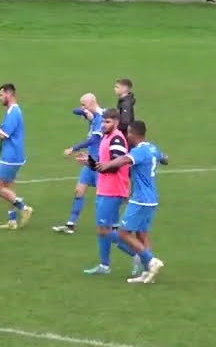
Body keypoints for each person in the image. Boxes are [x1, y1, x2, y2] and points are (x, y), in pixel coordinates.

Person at [94, 119, 166, 284]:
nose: (127, 135)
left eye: (129, 133)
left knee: (123, 233)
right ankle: (149, 272)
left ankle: (151, 260)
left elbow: (124, 160)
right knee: (141, 234)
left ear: (133, 133)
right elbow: (164, 158)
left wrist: (105, 165)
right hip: (152, 199)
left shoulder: (139, 151)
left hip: (140, 199)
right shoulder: (152, 148)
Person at [79, 109, 141, 277]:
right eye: (102, 122)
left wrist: (94, 164)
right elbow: (105, 164)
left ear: (115, 122)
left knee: (104, 230)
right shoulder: (107, 138)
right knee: (107, 229)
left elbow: (116, 165)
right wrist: (90, 163)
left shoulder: (117, 139)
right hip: (104, 188)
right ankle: (104, 265)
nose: (103, 125)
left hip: (113, 190)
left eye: (107, 122)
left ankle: (139, 255)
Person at [0, 83, 32, 229]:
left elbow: (4, 135)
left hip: (10, 157)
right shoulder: (12, 111)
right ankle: (12, 221)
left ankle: (24, 208)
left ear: (9, 94)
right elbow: (5, 131)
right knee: (8, 189)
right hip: (15, 156)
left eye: (1, 95)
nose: (0, 98)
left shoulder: (14, 112)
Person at [52, 93, 104, 234]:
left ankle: (114, 225)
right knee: (79, 191)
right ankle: (71, 224)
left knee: (104, 197)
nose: (81, 108)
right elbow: (74, 110)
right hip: (90, 160)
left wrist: (73, 148)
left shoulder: (102, 119)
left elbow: (94, 140)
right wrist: (85, 112)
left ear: (92, 103)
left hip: (102, 163)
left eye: (84, 105)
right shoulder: (93, 116)